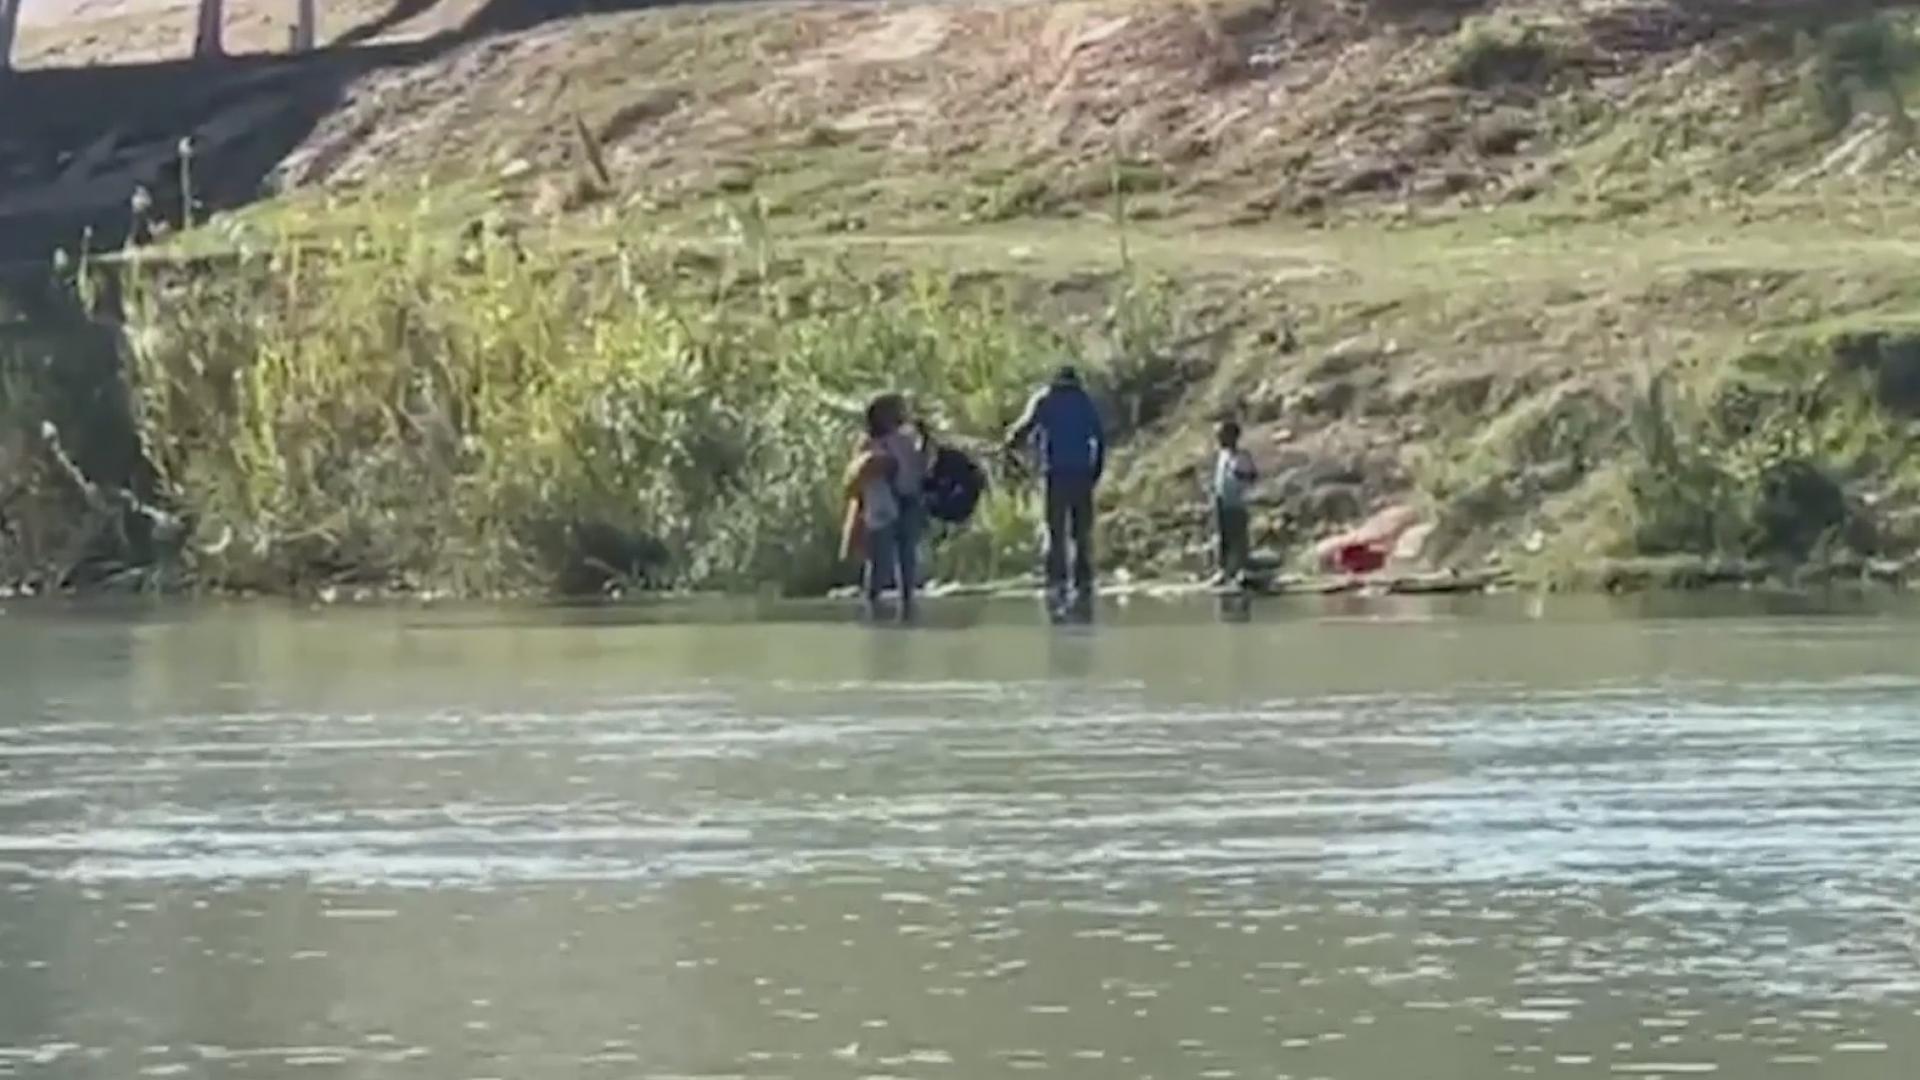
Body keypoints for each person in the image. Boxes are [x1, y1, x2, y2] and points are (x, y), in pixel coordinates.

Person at [1005, 365, 1106, 608]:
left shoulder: (1046, 398)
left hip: (1056, 473)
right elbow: (1099, 438)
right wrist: (1097, 470)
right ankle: (1083, 581)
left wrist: (1010, 441)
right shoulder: (1084, 400)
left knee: (1056, 531)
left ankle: (1056, 582)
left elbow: (1025, 427)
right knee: (1081, 533)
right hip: (1082, 474)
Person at [1211, 419, 1257, 585]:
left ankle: (1241, 571)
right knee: (1222, 537)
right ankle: (1223, 571)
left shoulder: (1242, 456)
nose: (1219, 440)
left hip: (1237, 502)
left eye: (1222, 436)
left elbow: (1252, 476)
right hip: (1221, 500)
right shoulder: (1222, 455)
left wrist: (1240, 476)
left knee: (1238, 538)